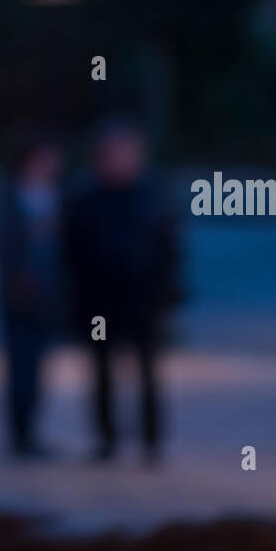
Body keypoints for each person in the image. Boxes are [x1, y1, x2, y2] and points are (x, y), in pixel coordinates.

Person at [61, 117, 183, 462]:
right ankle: (107, 440)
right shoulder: (86, 200)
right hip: (98, 302)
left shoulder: (154, 198)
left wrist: (168, 295)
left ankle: (151, 441)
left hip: (143, 302)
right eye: (109, 154)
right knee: (101, 373)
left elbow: (169, 250)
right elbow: (71, 253)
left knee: (148, 372)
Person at [0, 132, 64, 457]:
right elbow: (3, 249)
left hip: (49, 295)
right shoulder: (11, 198)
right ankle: (20, 434)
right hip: (18, 298)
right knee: (19, 365)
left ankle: (32, 431)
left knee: (38, 367)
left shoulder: (58, 196)